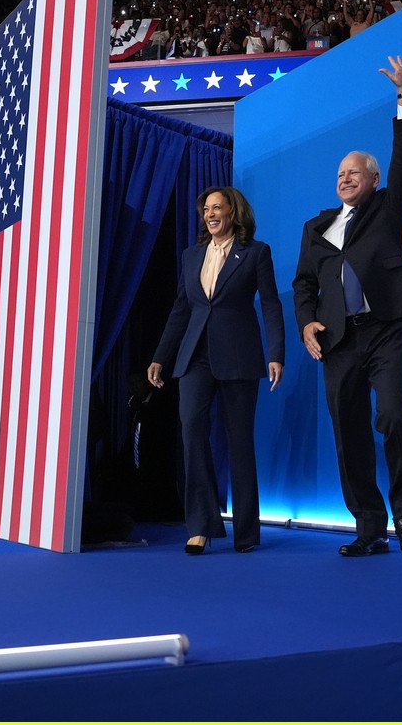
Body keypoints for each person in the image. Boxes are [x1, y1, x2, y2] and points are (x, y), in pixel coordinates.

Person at [292, 55, 402, 557]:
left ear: (373, 180)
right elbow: (304, 282)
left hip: (386, 330)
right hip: (337, 340)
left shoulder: (387, 208)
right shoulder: (317, 226)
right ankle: (370, 526)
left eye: (355, 172)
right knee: (347, 431)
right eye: (341, 173)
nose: (346, 177)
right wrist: (306, 320)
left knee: (395, 418)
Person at [147, 187, 285, 554]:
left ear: (233, 212)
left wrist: (276, 352)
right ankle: (201, 524)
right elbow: (181, 309)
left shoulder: (256, 252)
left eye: (217, 208)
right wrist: (161, 355)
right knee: (192, 431)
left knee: (240, 443)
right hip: (195, 357)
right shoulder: (190, 256)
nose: (210, 214)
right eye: (205, 209)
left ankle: (245, 532)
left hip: (239, 355)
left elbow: (270, 304)